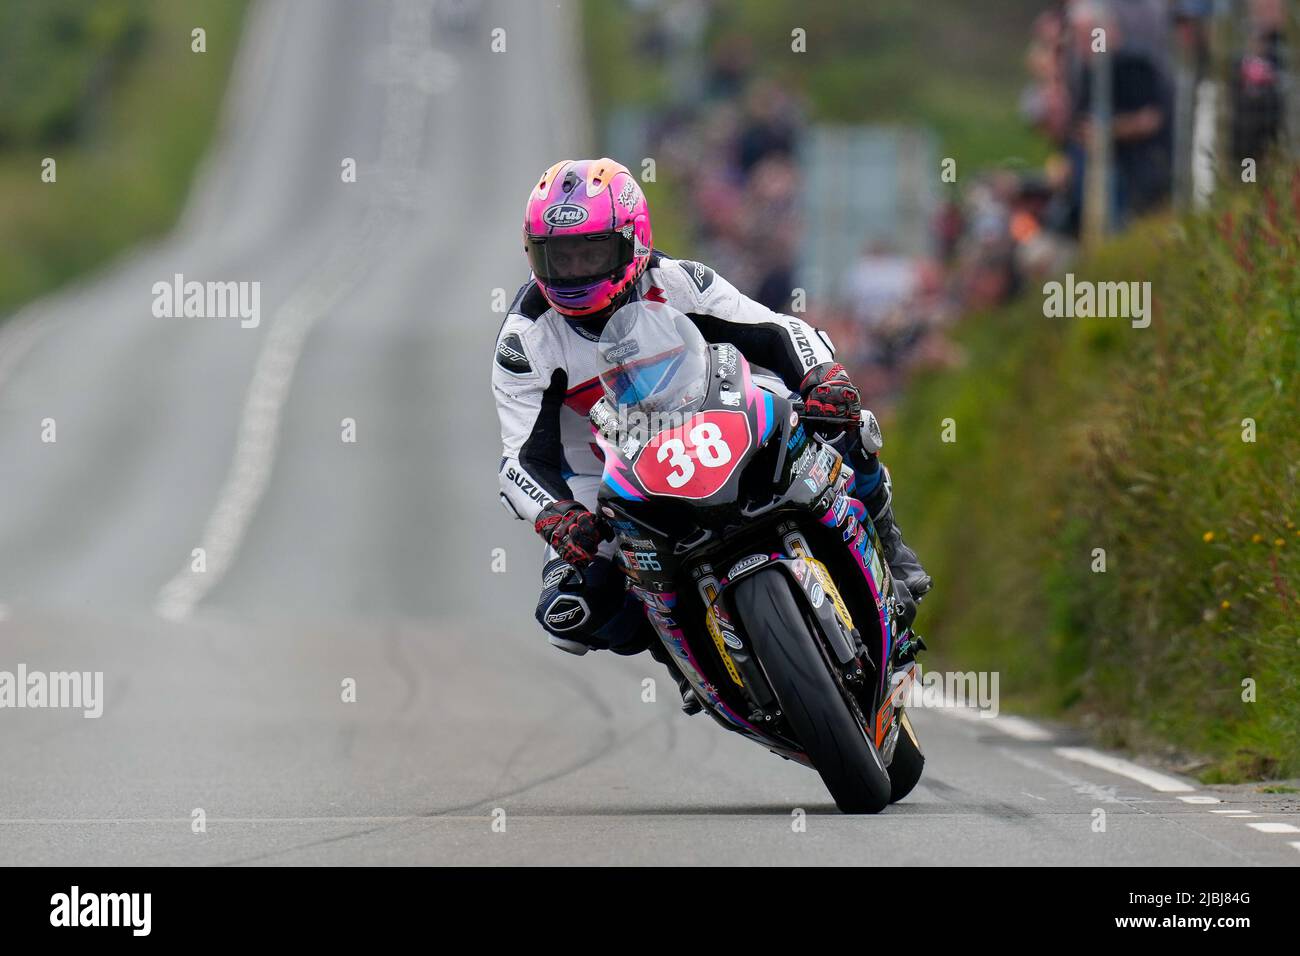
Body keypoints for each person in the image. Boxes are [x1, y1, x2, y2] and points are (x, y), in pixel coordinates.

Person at [492, 158, 931, 712]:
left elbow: (775, 331)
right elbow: (520, 461)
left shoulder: (678, 280)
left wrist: (822, 376)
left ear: (633, 241)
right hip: (607, 475)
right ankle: (677, 652)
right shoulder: (524, 341)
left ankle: (888, 543)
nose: (572, 273)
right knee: (570, 609)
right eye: (556, 257)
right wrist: (556, 514)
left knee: (843, 425)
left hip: (714, 415)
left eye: (589, 253)